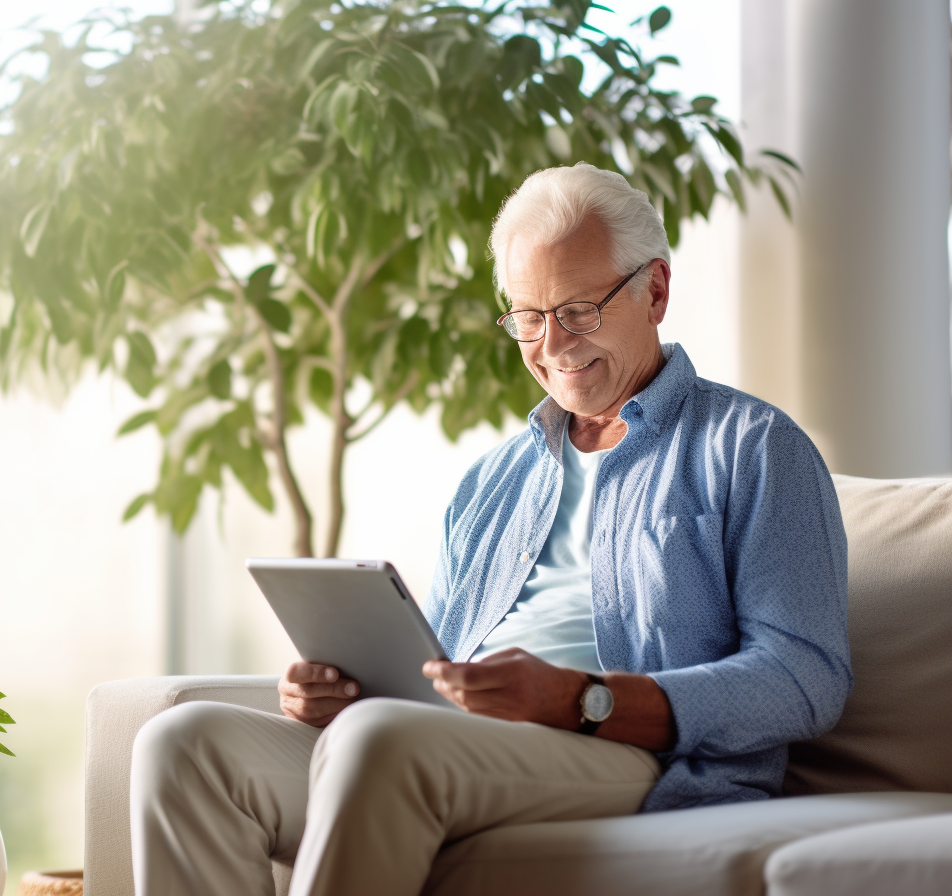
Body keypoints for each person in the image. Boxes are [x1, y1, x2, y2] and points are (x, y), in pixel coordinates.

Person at [129, 163, 852, 896]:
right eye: (529, 318)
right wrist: (345, 695)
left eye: (578, 310)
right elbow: (433, 669)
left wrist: (579, 698)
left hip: (633, 751)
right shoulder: (492, 481)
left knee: (383, 742)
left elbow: (806, 679)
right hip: (452, 747)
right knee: (183, 743)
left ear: (655, 290)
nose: (552, 345)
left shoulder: (753, 446)